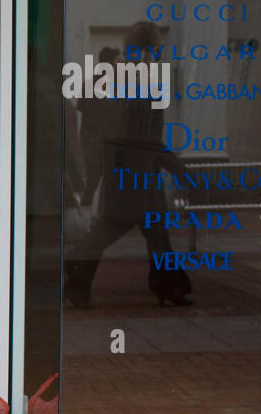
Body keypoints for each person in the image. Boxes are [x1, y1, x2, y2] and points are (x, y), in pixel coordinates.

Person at [64, 21, 190, 308]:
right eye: (157, 49)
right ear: (147, 50)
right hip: (138, 172)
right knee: (126, 228)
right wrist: (177, 167)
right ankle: (167, 286)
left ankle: (167, 286)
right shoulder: (143, 82)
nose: (159, 55)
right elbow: (144, 135)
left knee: (147, 230)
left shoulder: (123, 78)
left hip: (127, 169)